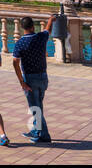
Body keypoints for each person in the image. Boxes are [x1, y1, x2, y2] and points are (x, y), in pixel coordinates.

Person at [11, 13, 58, 143]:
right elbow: (47, 30)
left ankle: (44, 136)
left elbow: (15, 62)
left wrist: (22, 82)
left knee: (35, 107)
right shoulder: (40, 37)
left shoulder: (20, 43)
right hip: (43, 77)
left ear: (22, 28)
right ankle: (37, 130)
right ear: (33, 26)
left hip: (30, 79)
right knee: (39, 106)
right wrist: (51, 20)